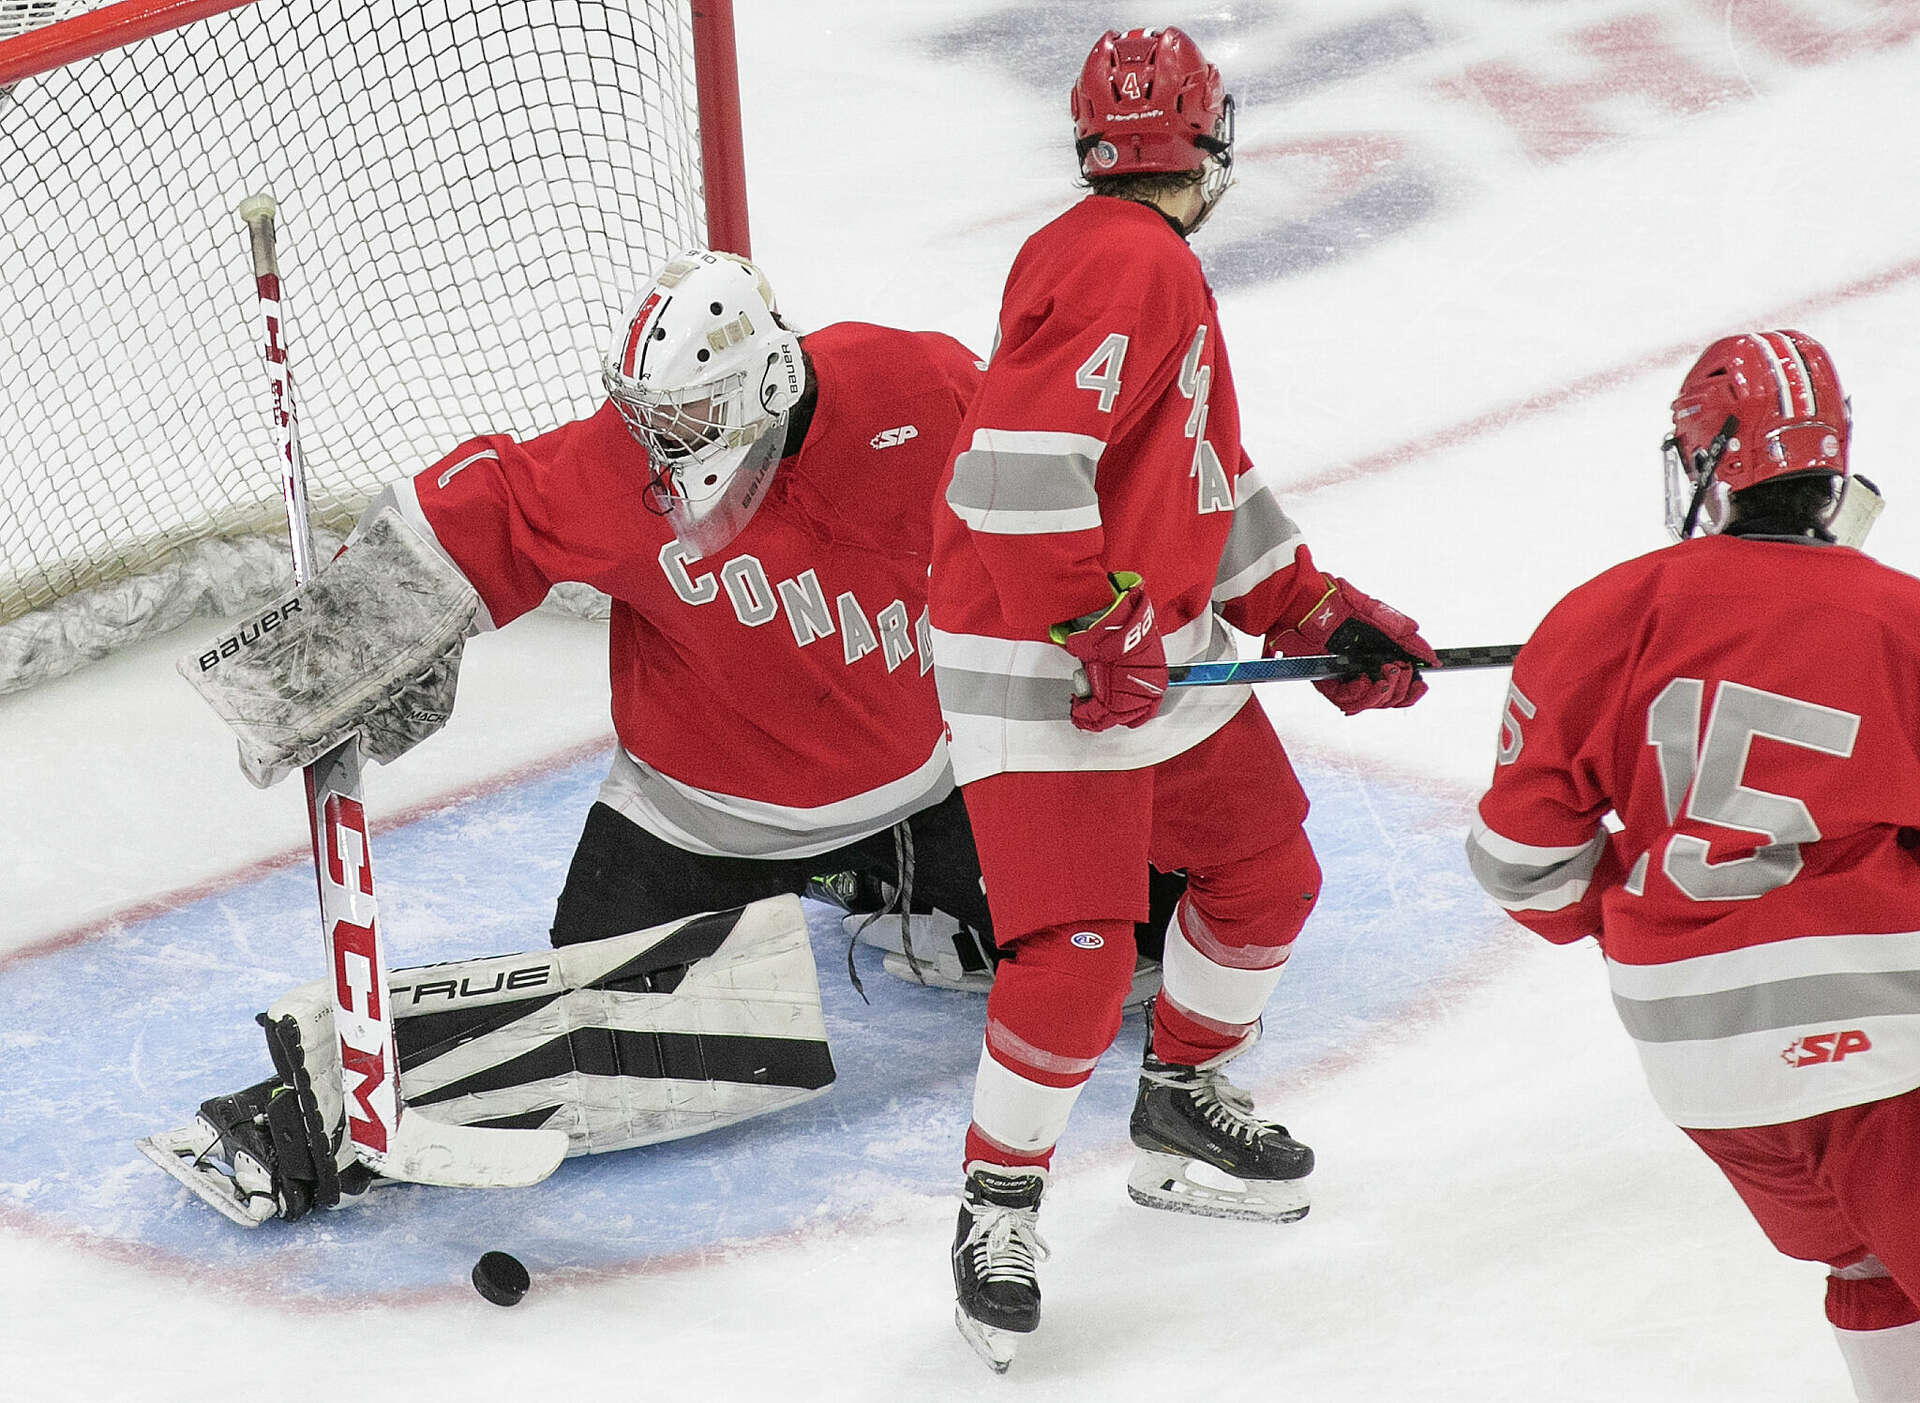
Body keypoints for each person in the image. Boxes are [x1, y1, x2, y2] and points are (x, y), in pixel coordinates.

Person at [145, 247, 1182, 1226]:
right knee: (601, 1037)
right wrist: (355, 628)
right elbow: (479, 505)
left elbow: (1056, 468)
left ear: (769, 384)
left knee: (1149, 932)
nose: (660, 439)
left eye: (690, 413)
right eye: (649, 413)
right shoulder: (625, 464)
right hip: (698, 826)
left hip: (927, 786)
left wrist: (1104, 614)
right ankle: (299, 1119)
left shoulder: (913, 386)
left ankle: (874, 887)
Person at [928, 27, 1438, 1371]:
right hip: (1037, 661)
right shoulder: (1124, 261)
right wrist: (1096, 625)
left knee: (1264, 871)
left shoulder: (1147, 267)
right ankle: (998, 1206)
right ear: (1211, 145)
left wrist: (1316, 610)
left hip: (1130, 646)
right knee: (1082, 954)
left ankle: (1177, 1099)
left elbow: (1205, 480)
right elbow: (1009, 475)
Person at [1466, 329, 1920, 1402]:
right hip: (1887, 1038)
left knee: (1864, 1262)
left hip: (1702, 1057)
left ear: (1710, 458)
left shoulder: (1597, 615)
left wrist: (1645, 892)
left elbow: (1524, 860)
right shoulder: (1899, 617)